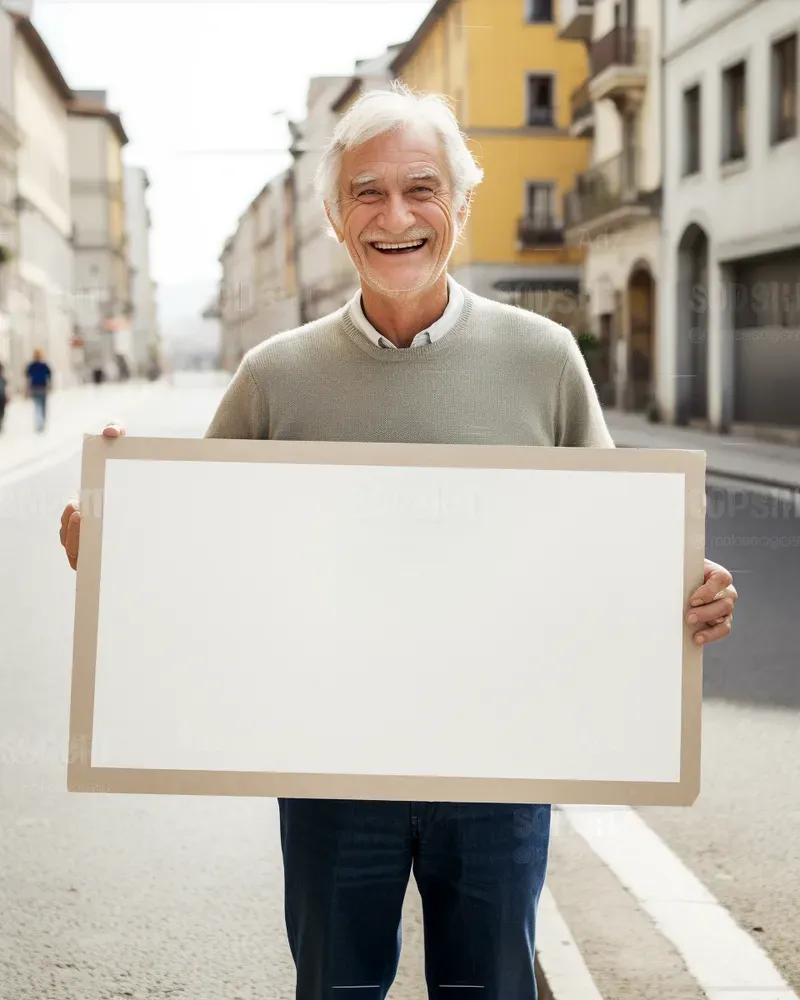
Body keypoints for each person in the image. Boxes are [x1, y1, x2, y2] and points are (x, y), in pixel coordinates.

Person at [58, 85, 739, 999]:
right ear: (337, 218)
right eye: (366, 194)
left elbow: (612, 554)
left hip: (500, 771)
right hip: (330, 771)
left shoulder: (545, 358)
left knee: (492, 990)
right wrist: (110, 538)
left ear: (460, 205)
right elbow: (191, 556)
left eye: (422, 188)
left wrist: (685, 593)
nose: (396, 215)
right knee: (336, 988)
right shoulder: (273, 376)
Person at [25, 348, 52, 433]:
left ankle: (39, 424)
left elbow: (27, 375)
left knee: (37, 406)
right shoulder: (44, 365)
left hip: (35, 388)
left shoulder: (31, 365)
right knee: (42, 406)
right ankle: (41, 424)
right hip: (42, 388)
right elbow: (49, 375)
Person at [0, 362, 7, 432]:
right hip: (2, 397)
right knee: (2, 411)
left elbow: (6, 388)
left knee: (2, 412)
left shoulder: (3, 379)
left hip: (2, 397)